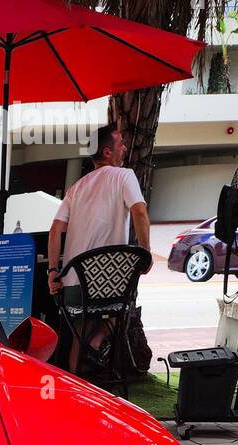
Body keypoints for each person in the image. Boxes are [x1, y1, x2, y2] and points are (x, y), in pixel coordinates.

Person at [47, 124, 151, 372]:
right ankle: (95, 345)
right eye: (120, 144)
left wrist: (52, 271)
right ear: (107, 152)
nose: (124, 148)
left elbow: (54, 231)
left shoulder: (76, 188)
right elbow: (139, 210)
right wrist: (145, 253)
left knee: (78, 333)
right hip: (110, 285)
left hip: (75, 286)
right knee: (119, 311)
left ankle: (76, 389)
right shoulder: (124, 176)